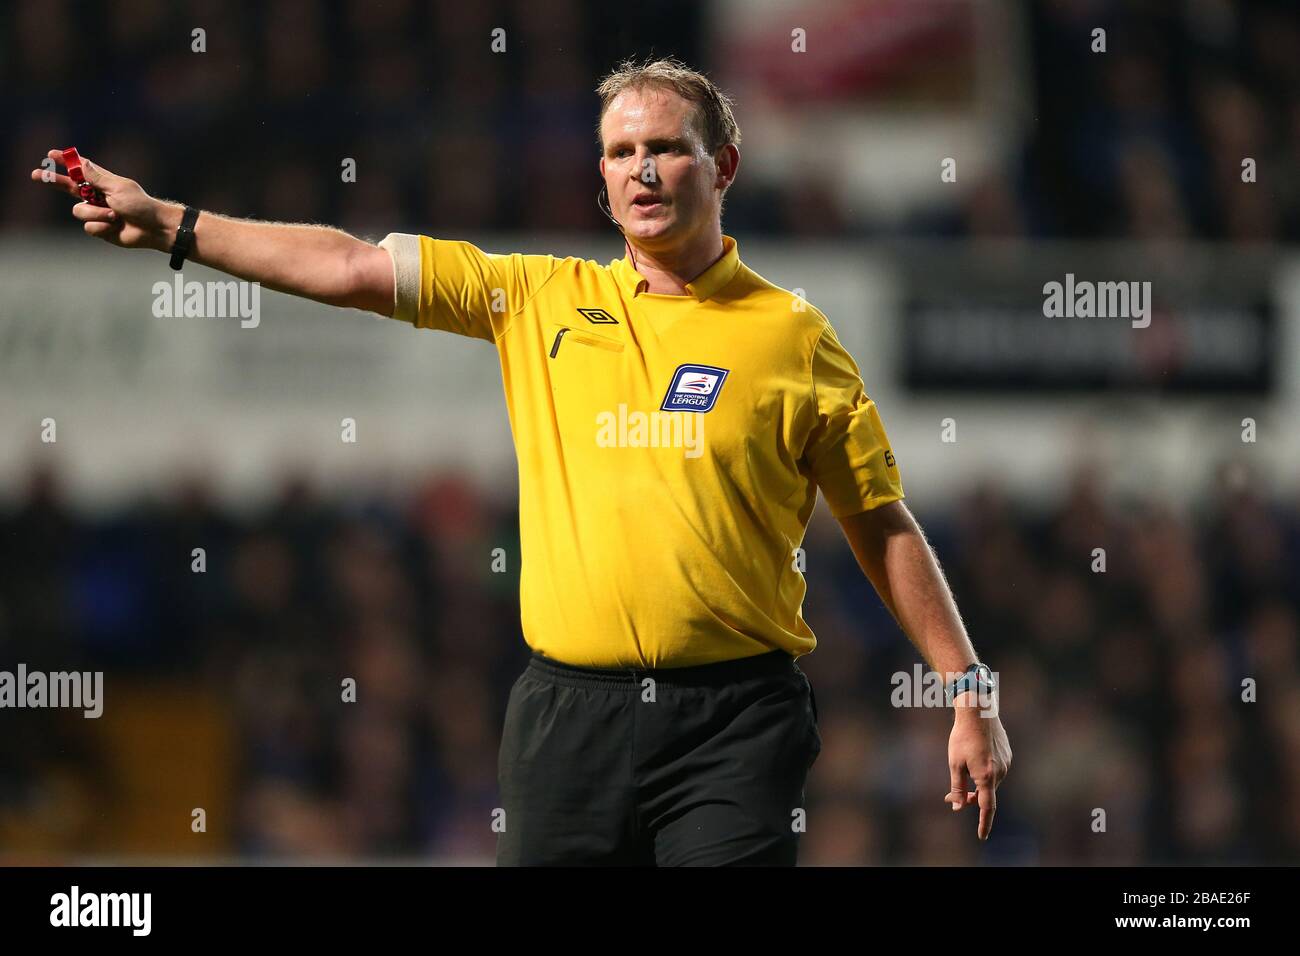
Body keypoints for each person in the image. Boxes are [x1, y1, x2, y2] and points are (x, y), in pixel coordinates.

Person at [31, 56, 1010, 866]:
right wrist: (173, 224)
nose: (643, 170)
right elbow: (352, 264)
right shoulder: (535, 296)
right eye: (621, 151)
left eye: (667, 147)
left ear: (726, 165)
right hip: (564, 717)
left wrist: (966, 690)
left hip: (735, 719)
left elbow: (880, 520)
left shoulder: (794, 336)